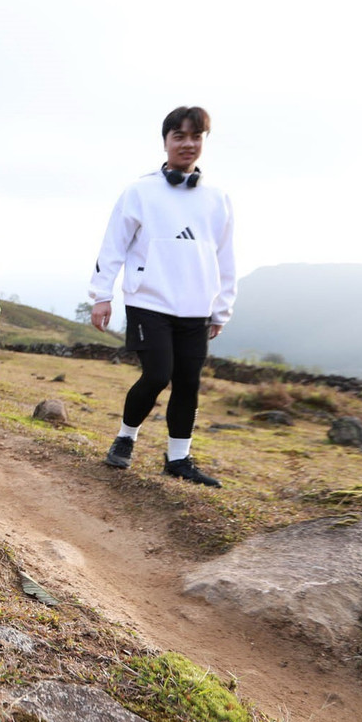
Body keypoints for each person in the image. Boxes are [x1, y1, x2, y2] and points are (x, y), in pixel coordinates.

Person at [88, 105, 237, 486]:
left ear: (203, 141)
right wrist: (101, 295)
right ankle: (126, 436)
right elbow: (113, 246)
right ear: (166, 141)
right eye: (180, 136)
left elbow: (225, 256)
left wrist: (221, 309)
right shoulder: (140, 191)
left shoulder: (217, 198)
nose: (188, 144)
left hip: (196, 306)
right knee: (157, 375)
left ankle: (178, 459)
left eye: (196, 137)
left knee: (188, 383)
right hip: (148, 300)